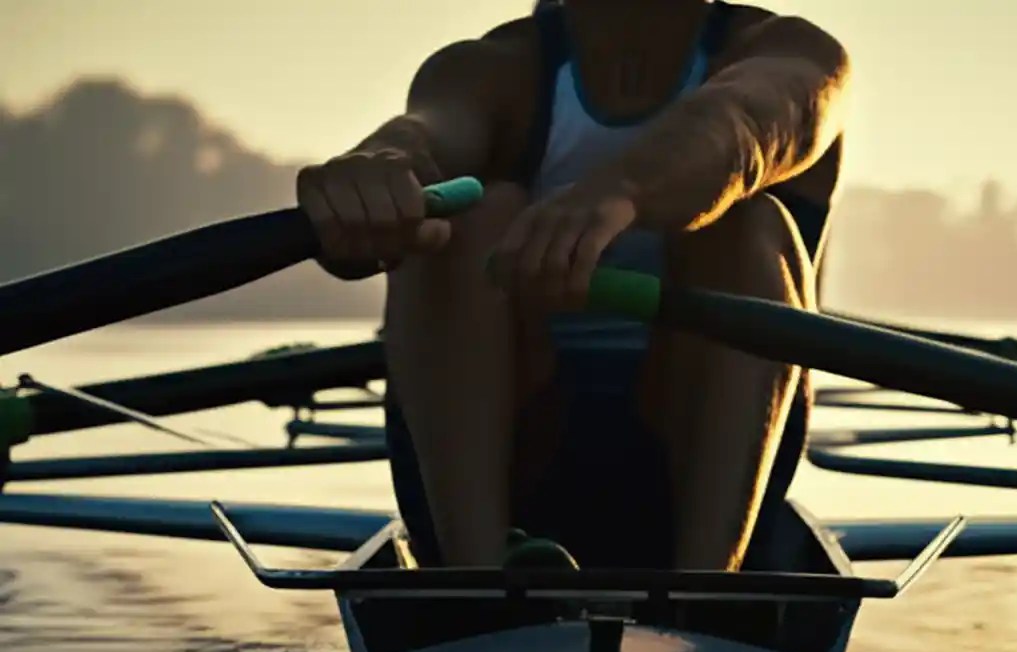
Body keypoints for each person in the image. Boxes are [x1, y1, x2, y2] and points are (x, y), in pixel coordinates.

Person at [297, 0, 849, 571]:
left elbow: (745, 125)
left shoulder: (797, 56)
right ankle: (478, 585)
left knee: (743, 225)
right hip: (513, 449)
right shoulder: (488, 71)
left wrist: (623, 188)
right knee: (469, 216)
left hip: (702, 451)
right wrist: (376, 173)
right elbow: (428, 136)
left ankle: (707, 590)